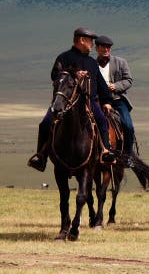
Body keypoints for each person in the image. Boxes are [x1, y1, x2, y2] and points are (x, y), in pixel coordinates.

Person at [28, 27, 115, 171]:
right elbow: (55, 75)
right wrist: (73, 73)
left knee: (102, 121)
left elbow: (100, 83)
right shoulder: (64, 57)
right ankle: (41, 156)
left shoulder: (92, 63)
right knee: (45, 123)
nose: (92, 44)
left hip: (88, 102)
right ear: (82, 40)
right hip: (65, 101)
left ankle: (105, 151)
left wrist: (106, 101)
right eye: (90, 41)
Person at [94, 35, 137, 165]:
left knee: (128, 126)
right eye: (103, 47)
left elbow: (128, 80)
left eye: (108, 47)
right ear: (97, 48)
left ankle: (127, 155)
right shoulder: (92, 64)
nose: (106, 49)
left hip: (116, 99)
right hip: (97, 100)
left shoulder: (120, 62)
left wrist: (116, 86)